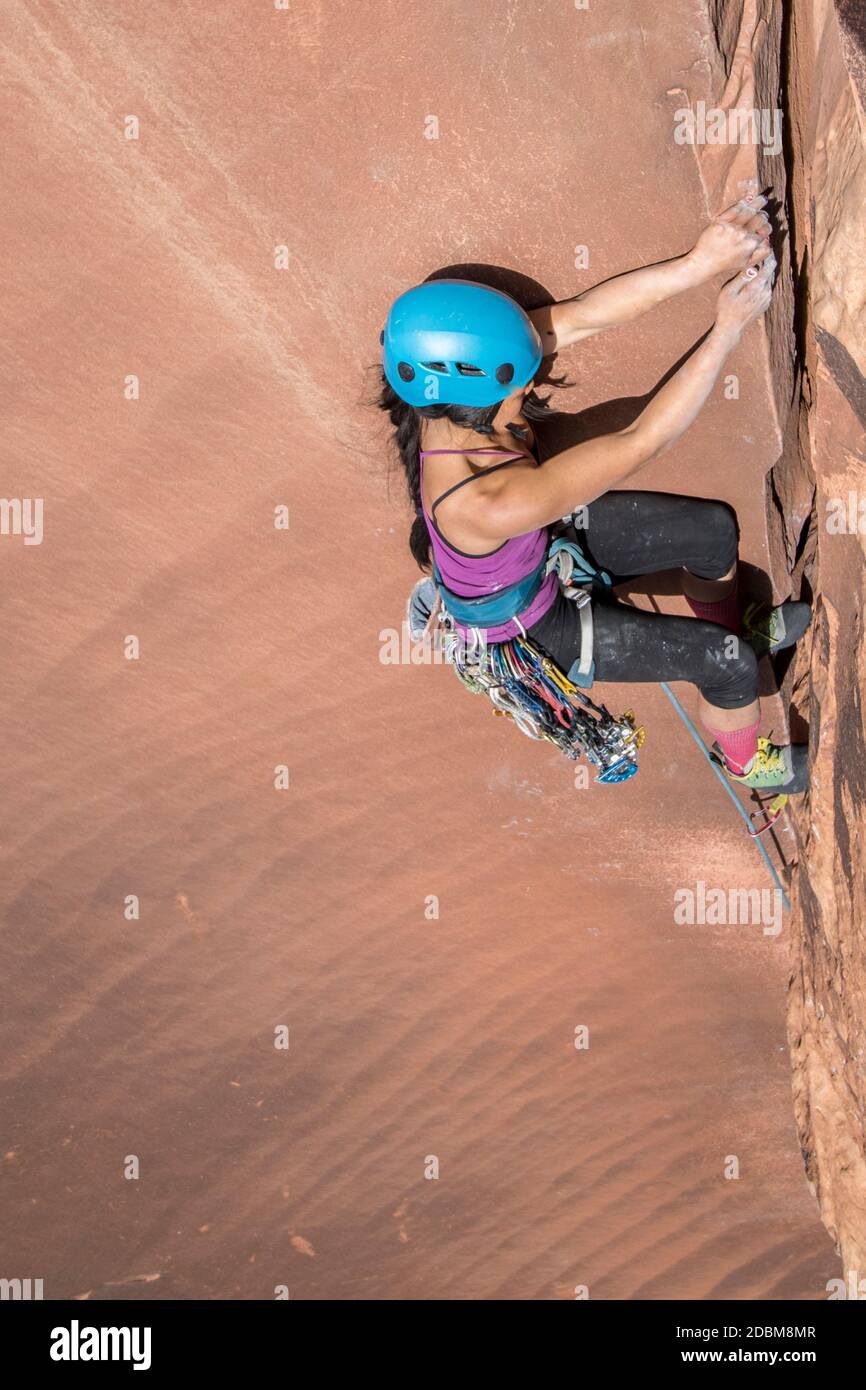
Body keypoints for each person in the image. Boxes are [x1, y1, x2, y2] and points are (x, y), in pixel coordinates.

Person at [379, 195, 810, 791]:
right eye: (525, 374)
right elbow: (642, 440)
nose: (537, 375)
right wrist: (726, 331)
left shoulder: (445, 382)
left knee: (713, 530)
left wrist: (700, 261)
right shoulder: (493, 500)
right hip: (535, 628)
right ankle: (747, 765)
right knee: (726, 665)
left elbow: (582, 315)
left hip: (533, 547)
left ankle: (741, 624)